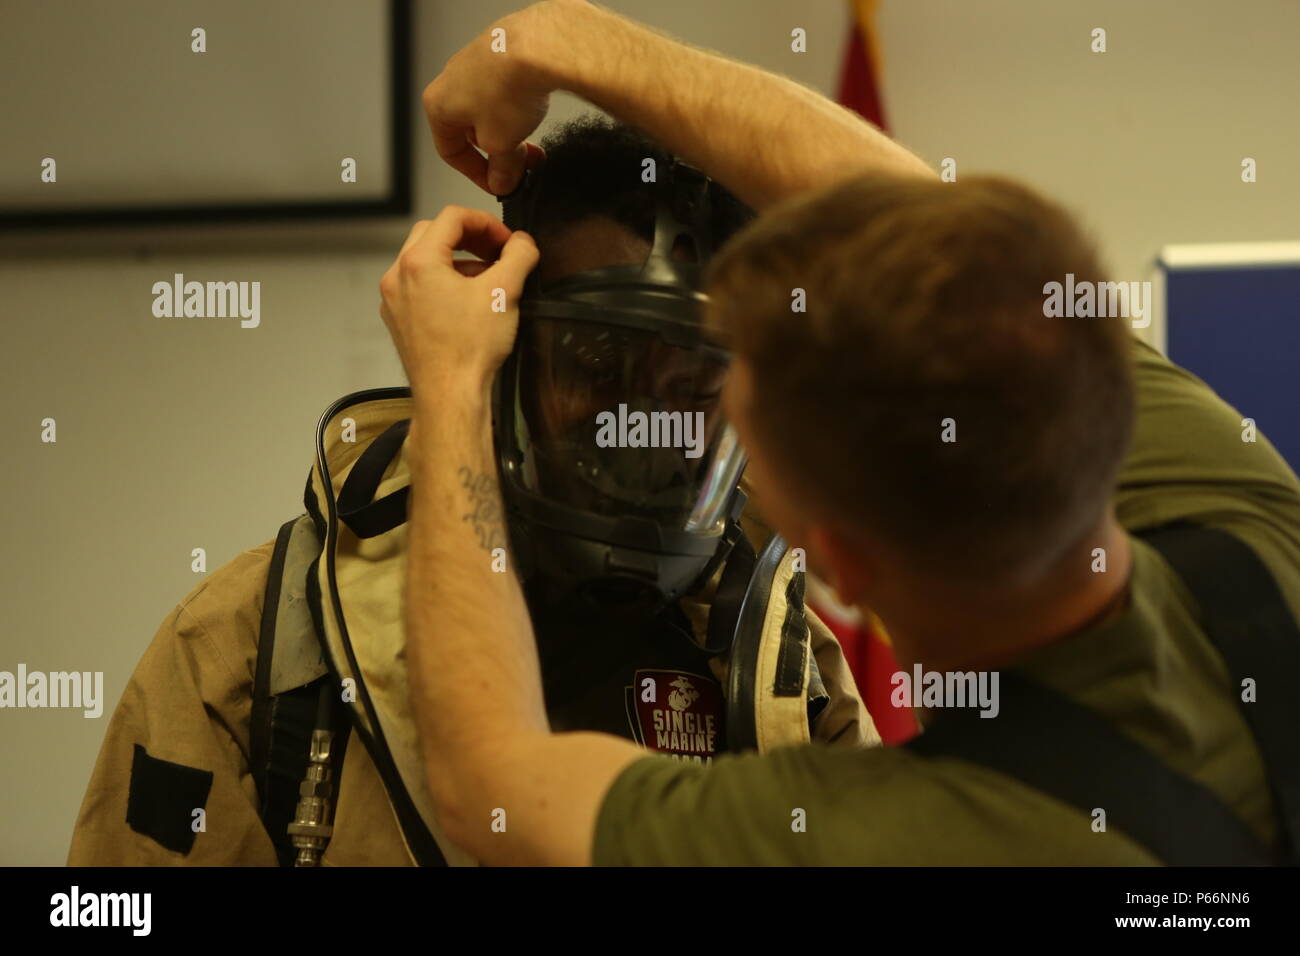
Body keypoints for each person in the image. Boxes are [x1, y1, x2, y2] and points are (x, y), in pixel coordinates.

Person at [388, 0, 1300, 865]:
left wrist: (451, 378)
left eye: (711, 399)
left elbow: (489, 779)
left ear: (839, 567)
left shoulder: (896, 837)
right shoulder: (1252, 523)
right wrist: (562, 36)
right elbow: (930, 238)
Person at [66, 115, 873, 867]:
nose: (640, 430)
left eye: (692, 387)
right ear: (504, 353)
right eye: (597, 367)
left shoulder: (787, 672)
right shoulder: (258, 644)